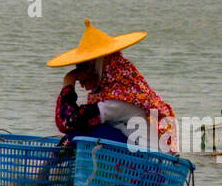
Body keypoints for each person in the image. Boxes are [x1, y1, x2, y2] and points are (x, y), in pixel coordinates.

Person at [50, 21, 177, 152]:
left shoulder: (116, 101)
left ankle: (47, 169)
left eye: (82, 67)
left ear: (99, 66)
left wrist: (68, 82)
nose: (79, 76)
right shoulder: (121, 91)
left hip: (149, 162)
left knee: (86, 132)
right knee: (81, 131)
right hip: (141, 154)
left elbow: (68, 122)